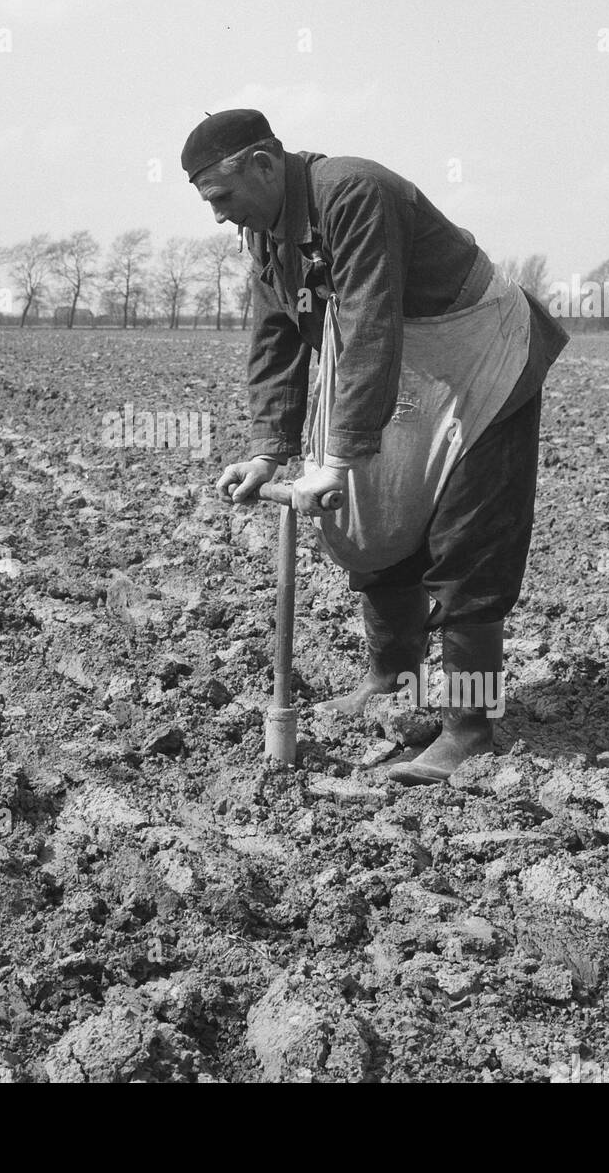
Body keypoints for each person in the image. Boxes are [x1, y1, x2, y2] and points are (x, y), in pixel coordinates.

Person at [183, 108, 568, 785]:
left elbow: (365, 318)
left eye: (221, 195)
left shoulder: (352, 191)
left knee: (467, 547)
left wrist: (335, 458)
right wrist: (270, 451)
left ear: (264, 165)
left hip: (481, 356)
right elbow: (276, 335)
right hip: (405, 365)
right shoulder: (267, 232)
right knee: (378, 513)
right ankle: (394, 682)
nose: (218, 214)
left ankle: (469, 728)